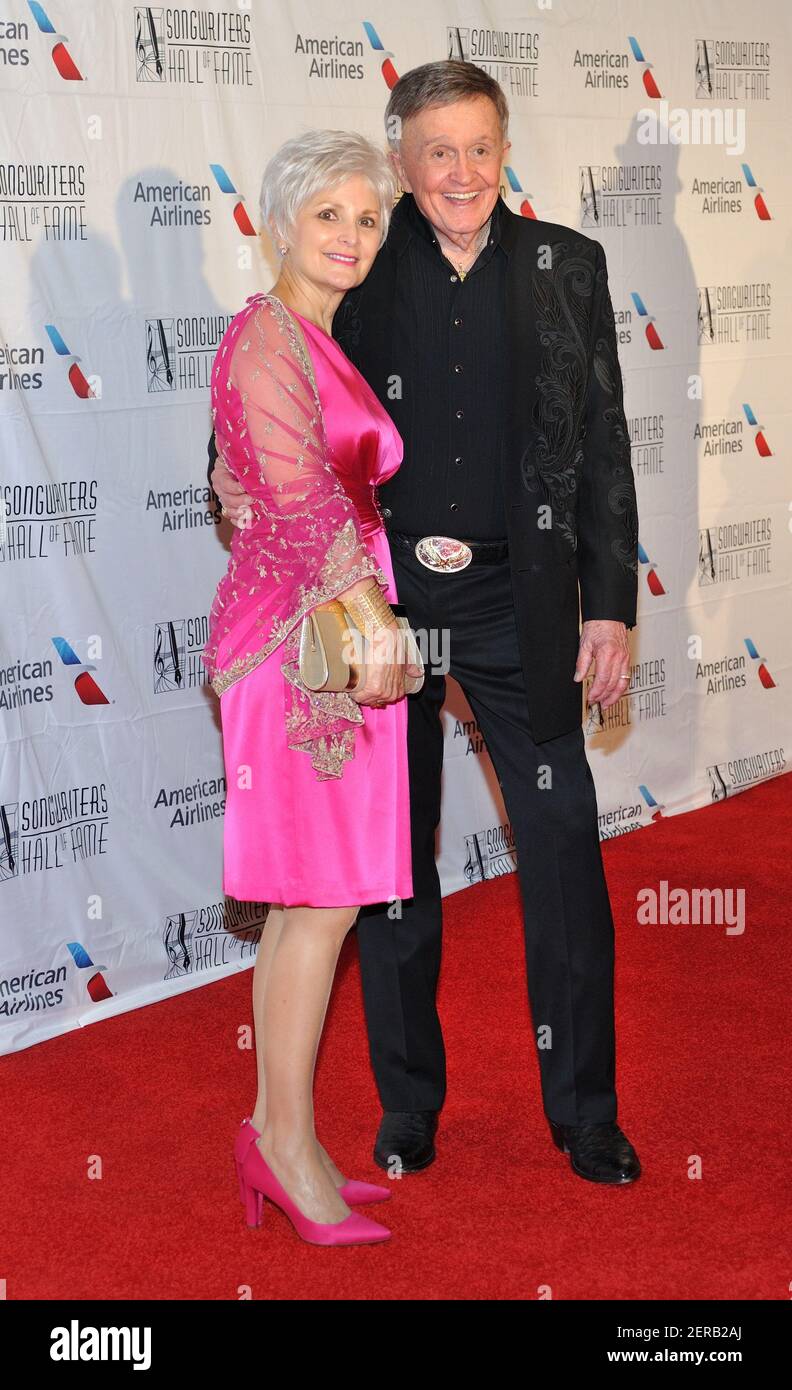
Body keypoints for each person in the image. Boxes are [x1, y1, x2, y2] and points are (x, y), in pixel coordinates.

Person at [209, 61, 642, 1186]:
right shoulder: (354, 260)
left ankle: (585, 1111)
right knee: (390, 868)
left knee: (561, 853)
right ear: (398, 155)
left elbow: (604, 449)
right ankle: (408, 1111)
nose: (461, 172)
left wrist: (613, 607)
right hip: (385, 613)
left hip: (520, 604)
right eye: (436, 150)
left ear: (506, 154)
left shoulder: (568, 268)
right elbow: (273, 391)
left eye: (481, 148)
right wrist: (221, 471)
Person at [202, 130, 421, 1246]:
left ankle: (280, 1131)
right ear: (280, 221)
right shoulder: (264, 334)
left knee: (315, 905)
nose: (349, 235)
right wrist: (378, 618)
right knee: (319, 903)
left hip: (333, 627)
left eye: (367, 217)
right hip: (303, 647)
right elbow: (292, 499)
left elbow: (255, 477)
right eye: (327, 214)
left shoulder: (318, 336)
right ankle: (283, 1146)